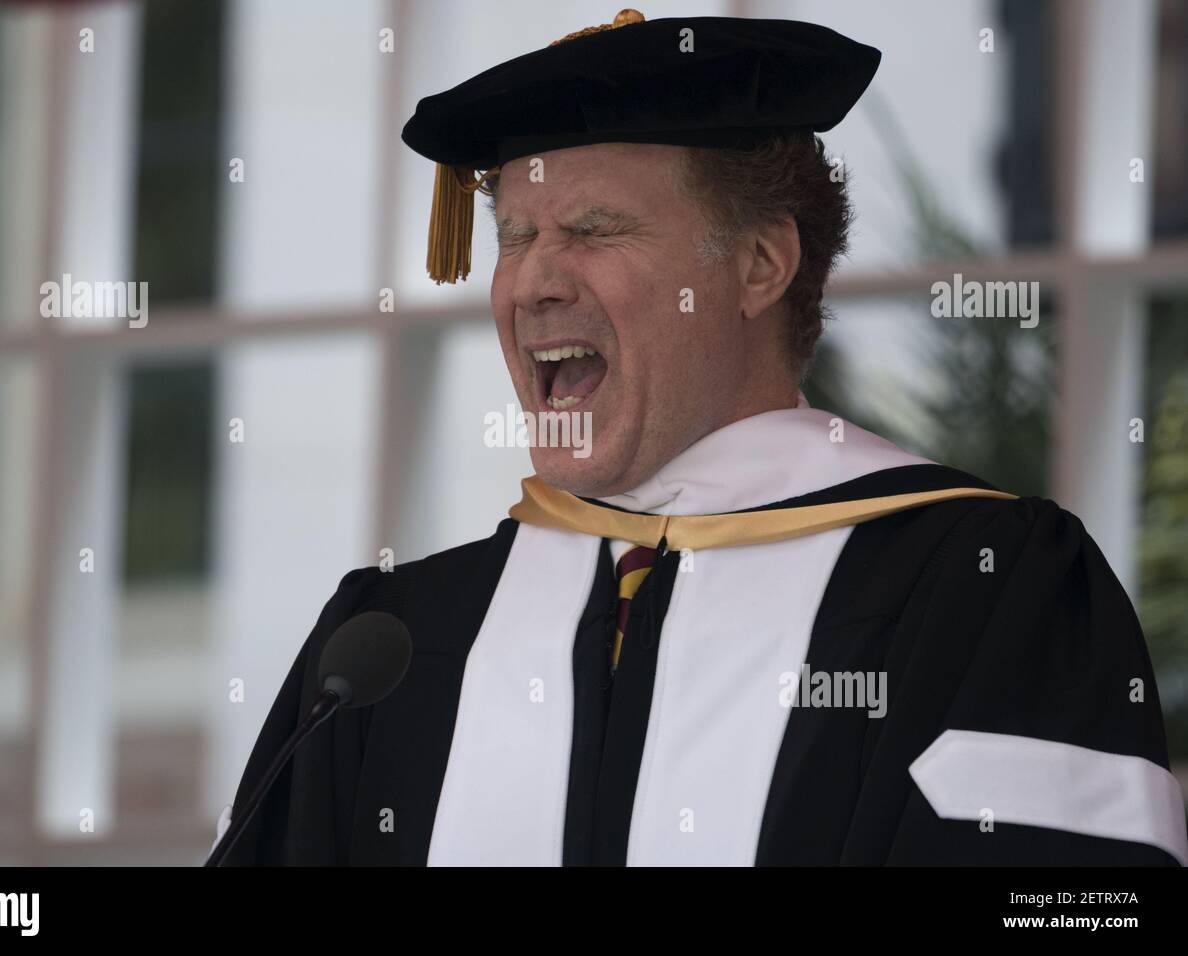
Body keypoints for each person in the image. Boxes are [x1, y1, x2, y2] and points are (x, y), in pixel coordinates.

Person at [214, 9, 1187, 866]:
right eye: (514, 235)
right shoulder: (396, 644)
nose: (534, 281)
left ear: (760, 264)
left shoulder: (980, 590)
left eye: (593, 229)